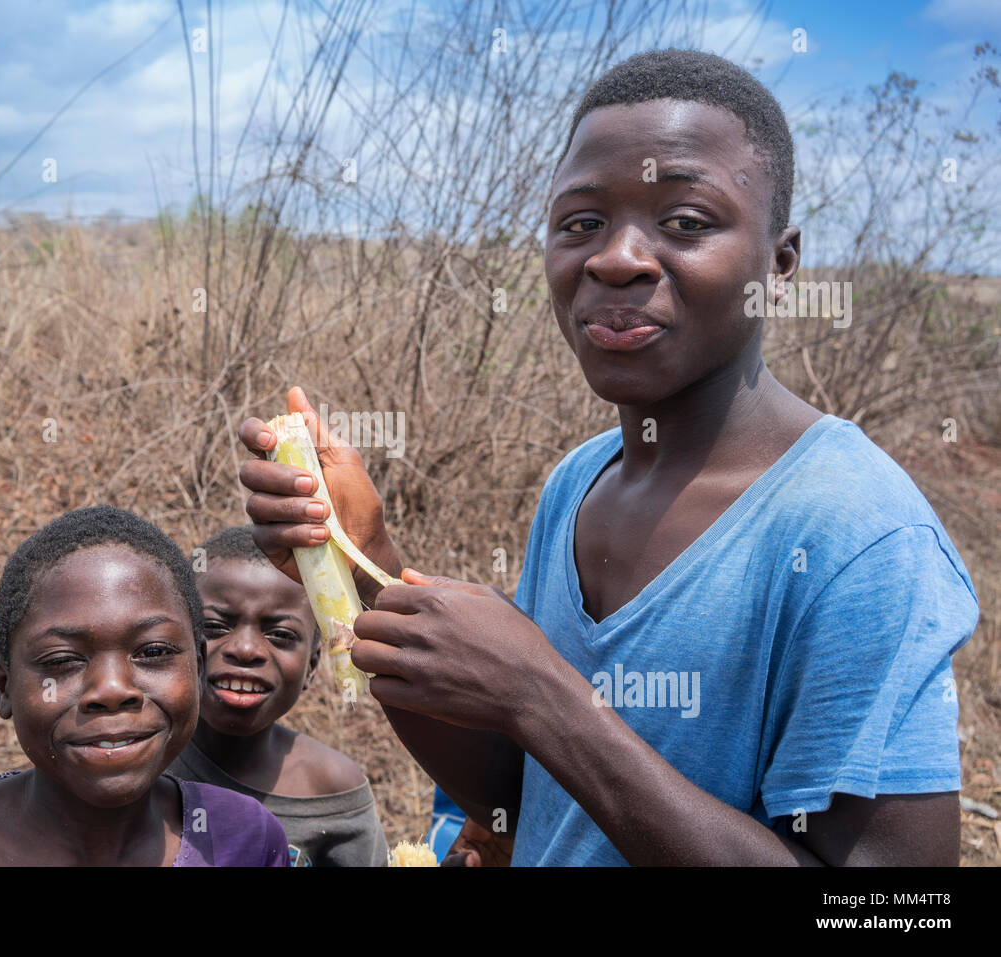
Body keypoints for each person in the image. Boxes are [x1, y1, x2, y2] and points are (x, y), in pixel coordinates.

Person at [236, 49, 978, 865]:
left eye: (687, 222)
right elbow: (531, 803)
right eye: (581, 223)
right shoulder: (579, 484)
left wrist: (544, 694)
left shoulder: (859, 534)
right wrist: (358, 558)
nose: (615, 257)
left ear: (780, 263)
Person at [0, 506, 288, 866]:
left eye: (152, 652)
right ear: (3, 687)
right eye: (62, 661)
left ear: (197, 667)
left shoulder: (242, 839)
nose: (112, 690)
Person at [169, 525, 389, 866]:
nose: (245, 650)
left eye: (280, 634)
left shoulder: (331, 790)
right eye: (215, 626)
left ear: (313, 664)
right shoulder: (144, 758)